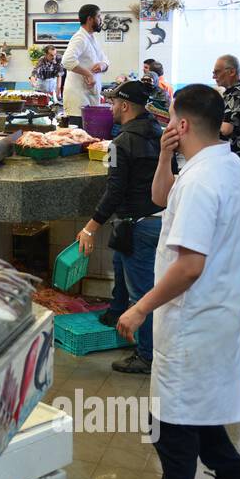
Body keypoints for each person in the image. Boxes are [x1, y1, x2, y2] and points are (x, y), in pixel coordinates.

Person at [115, 84, 240, 479]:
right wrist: (165, 159)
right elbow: (162, 198)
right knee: (197, 415)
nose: (165, 127)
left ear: (182, 124)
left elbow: (189, 265)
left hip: (192, 317)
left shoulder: (206, 180)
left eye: (170, 122)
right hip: (214, 315)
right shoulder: (222, 164)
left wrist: (139, 307)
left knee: (172, 428)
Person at [78, 80, 165, 375]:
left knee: (142, 294)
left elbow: (114, 191)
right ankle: (117, 317)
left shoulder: (119, 144)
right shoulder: (158, 132)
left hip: (136, 225)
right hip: (159, 220)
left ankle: (146, 355)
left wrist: (90, 227)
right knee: (125, 268)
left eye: (115, 102)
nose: (111, 107)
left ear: (125, 106)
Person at [213, 54, 240, 234]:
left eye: (217, 72)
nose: (214, 76)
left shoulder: (236, 93)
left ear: (231, 72)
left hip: (232, 158)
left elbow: (226, 129)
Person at [61, 4, 107, 125]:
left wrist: (103, 65)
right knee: (79, 139)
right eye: (99, 16)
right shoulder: (79, 38)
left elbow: (105, 60)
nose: (101, 20)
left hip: (89, 98)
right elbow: (67, 61)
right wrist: (88, 74)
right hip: (78, 101)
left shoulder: (92, 39)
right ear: (90, 19)